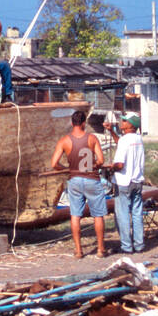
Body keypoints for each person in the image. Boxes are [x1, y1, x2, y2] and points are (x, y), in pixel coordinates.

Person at [49, 110, 106, 258]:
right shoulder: (92, 138)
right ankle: (100, 249)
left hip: (74, 179)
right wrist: (93, 165)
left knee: (75, 215)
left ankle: (79, 250)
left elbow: (54, 163)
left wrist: (67, 169)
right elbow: (101, 160)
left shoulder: (64, 141)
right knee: (98, 215)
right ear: (83, 123)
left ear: (72, 122)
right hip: (91, 179)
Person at [108, 113, 146, 254]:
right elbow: (121, 143)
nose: (122, 122)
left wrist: (110, 167)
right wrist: (112, 131)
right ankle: (139, 245)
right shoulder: (138, 139)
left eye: (124, 121)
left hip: (124, 182)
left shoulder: (125, 140)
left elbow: (119, 164)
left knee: (122, 214)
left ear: (131, 125)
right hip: (137, 180)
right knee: (136, 213)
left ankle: (126, 247)